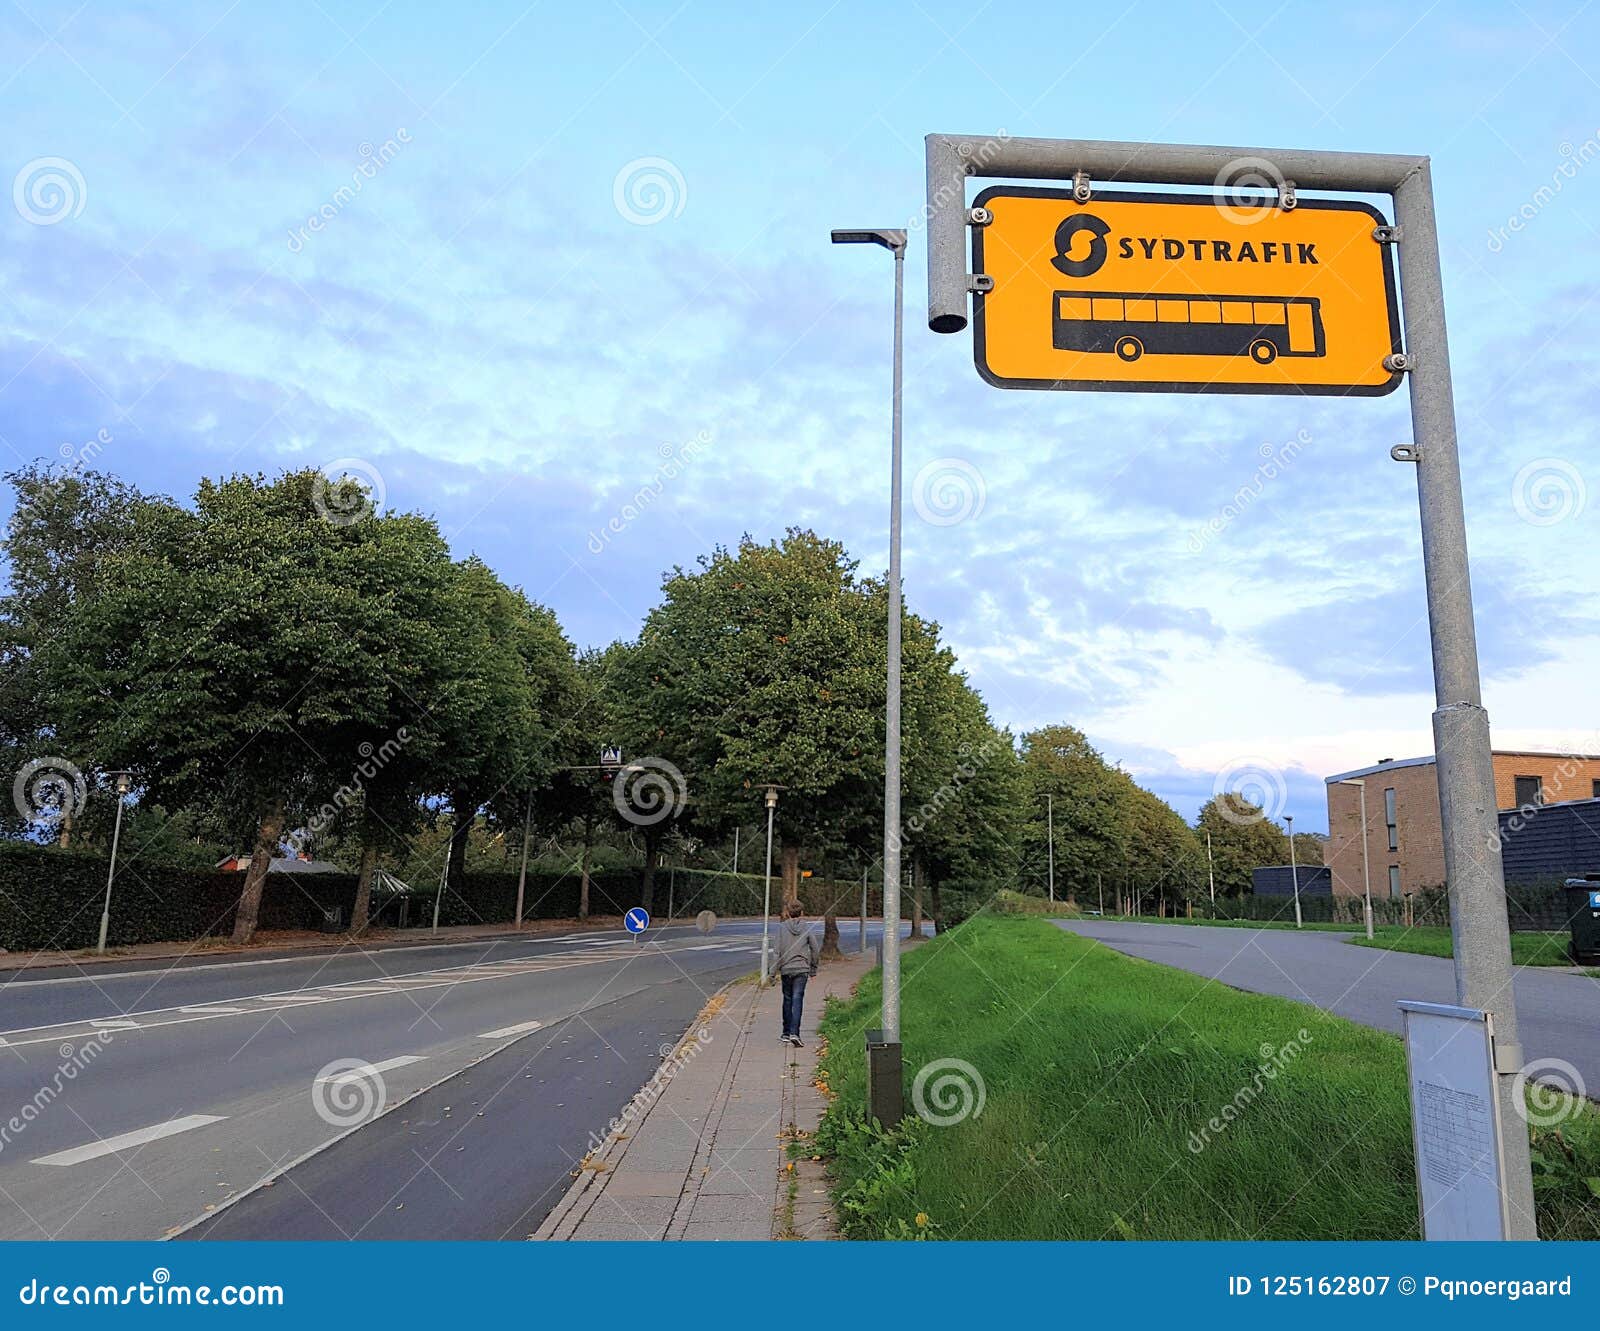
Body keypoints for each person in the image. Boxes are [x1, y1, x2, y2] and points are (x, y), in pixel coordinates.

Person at [773, 900, 820, 1047]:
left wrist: (772, 973)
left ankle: (786, 1033)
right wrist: (813, 968)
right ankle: (795, 1033)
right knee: (797, 999)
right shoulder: (807, 927)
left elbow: (776, 952)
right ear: (802, 913)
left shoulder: (781, 928)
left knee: (787, 1000)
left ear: (787, 913)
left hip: (786, 969)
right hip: (802, 969)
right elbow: (815, 949)